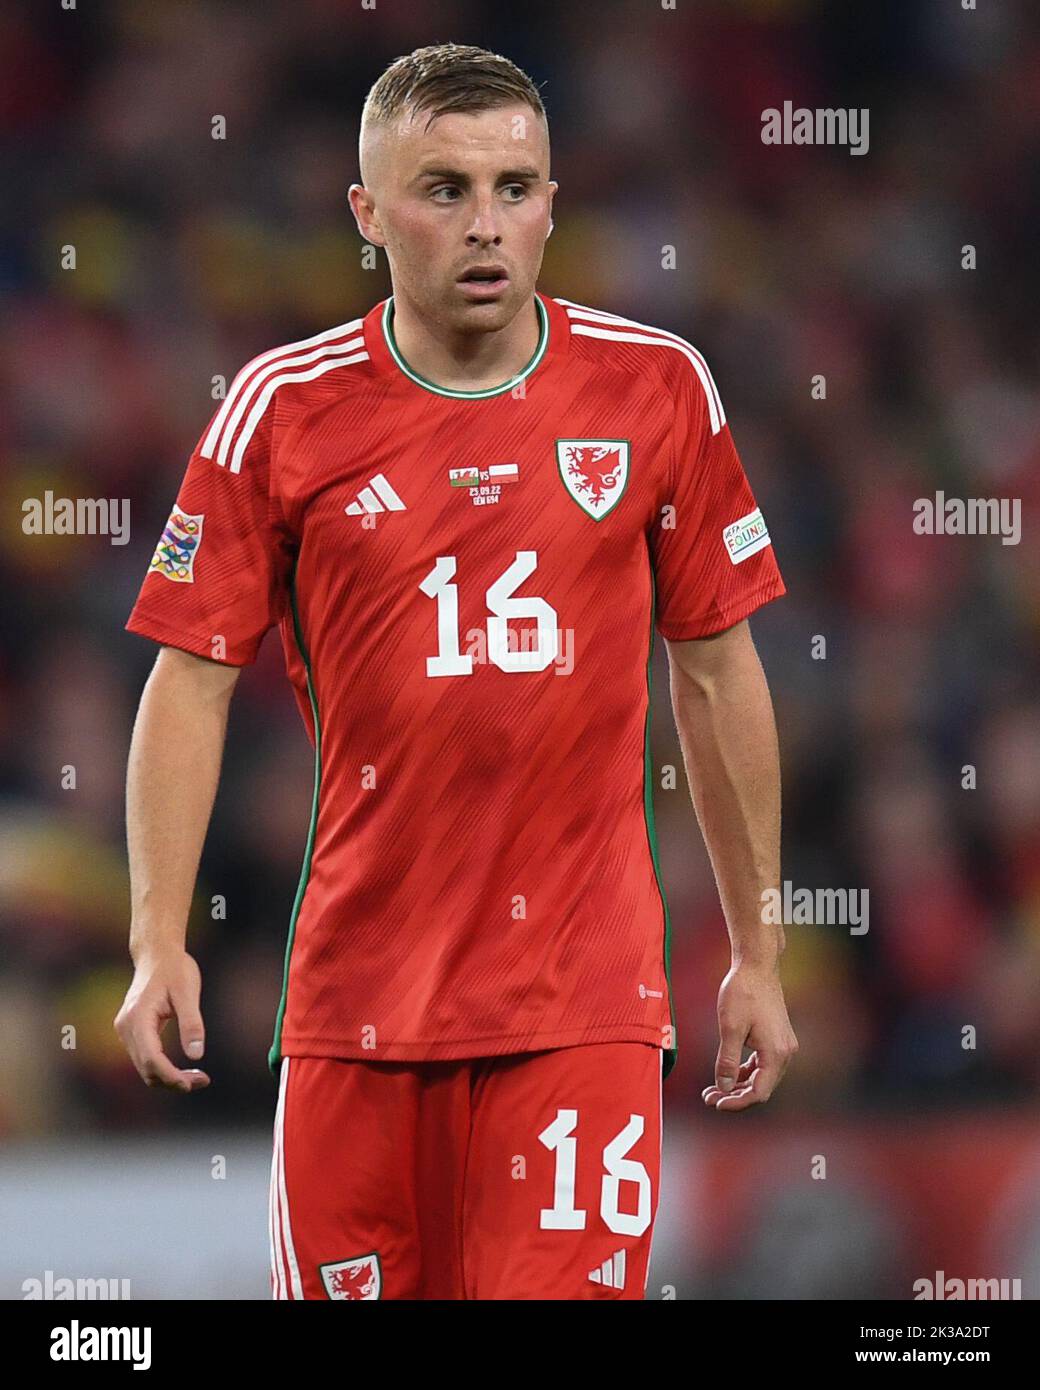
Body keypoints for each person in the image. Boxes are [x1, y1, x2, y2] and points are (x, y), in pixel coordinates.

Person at [115, 42, 797, 1301]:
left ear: (551, 205)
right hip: (358, 1008)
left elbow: (715, 675)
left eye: (513, 187)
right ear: (367, 216)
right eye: (441, 189)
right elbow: (189, 681)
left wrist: (757, 948)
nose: (484, 225)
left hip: (581, 1000)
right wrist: (159, 939)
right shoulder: (280, 409)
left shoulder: (655, 389)